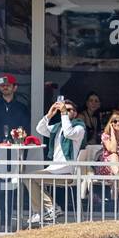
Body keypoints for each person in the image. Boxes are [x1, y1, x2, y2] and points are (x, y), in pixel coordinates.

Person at [24, 97, 86, 228]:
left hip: (67, 170)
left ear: (75, 113)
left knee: (30, 178)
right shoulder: (58, 127)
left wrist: (63, 113)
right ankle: (46, 210)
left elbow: (69, 133)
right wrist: (49, 114)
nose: (66, 111)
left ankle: (48, 209)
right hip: (55, 169)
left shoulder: (79, 128)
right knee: (28, 178)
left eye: (69, 110)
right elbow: (40, 129)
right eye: (64, 109)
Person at [0, 74, 30, 142]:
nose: (5, 87)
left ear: (15, 88)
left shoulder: (21, 108)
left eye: (8, 85)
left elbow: (25, 129)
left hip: (13, 146)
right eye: (2, 85)